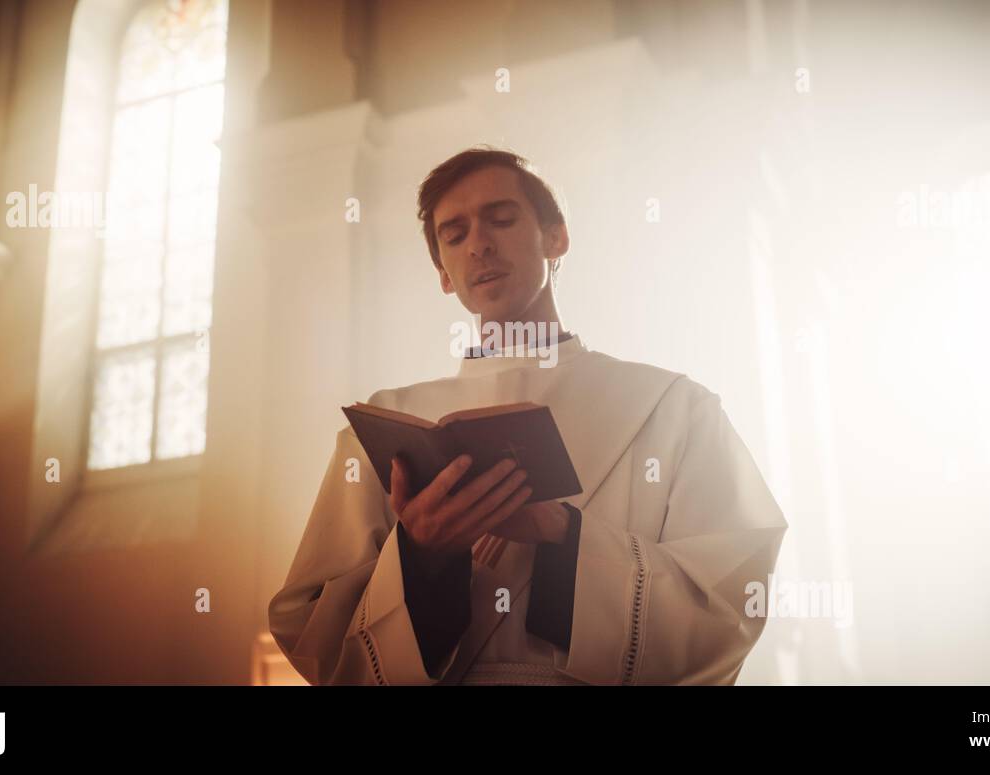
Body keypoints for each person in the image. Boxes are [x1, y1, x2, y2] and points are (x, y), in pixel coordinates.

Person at [267, 147, 787, 685]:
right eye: (454, 234)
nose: (479, 245)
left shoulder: (674, 408)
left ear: (556, 237)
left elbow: (730, 601)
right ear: (444, 275)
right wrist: (420, 558)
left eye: (501, 218)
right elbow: (313, 627)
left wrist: (564, 535)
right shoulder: (383, 424)